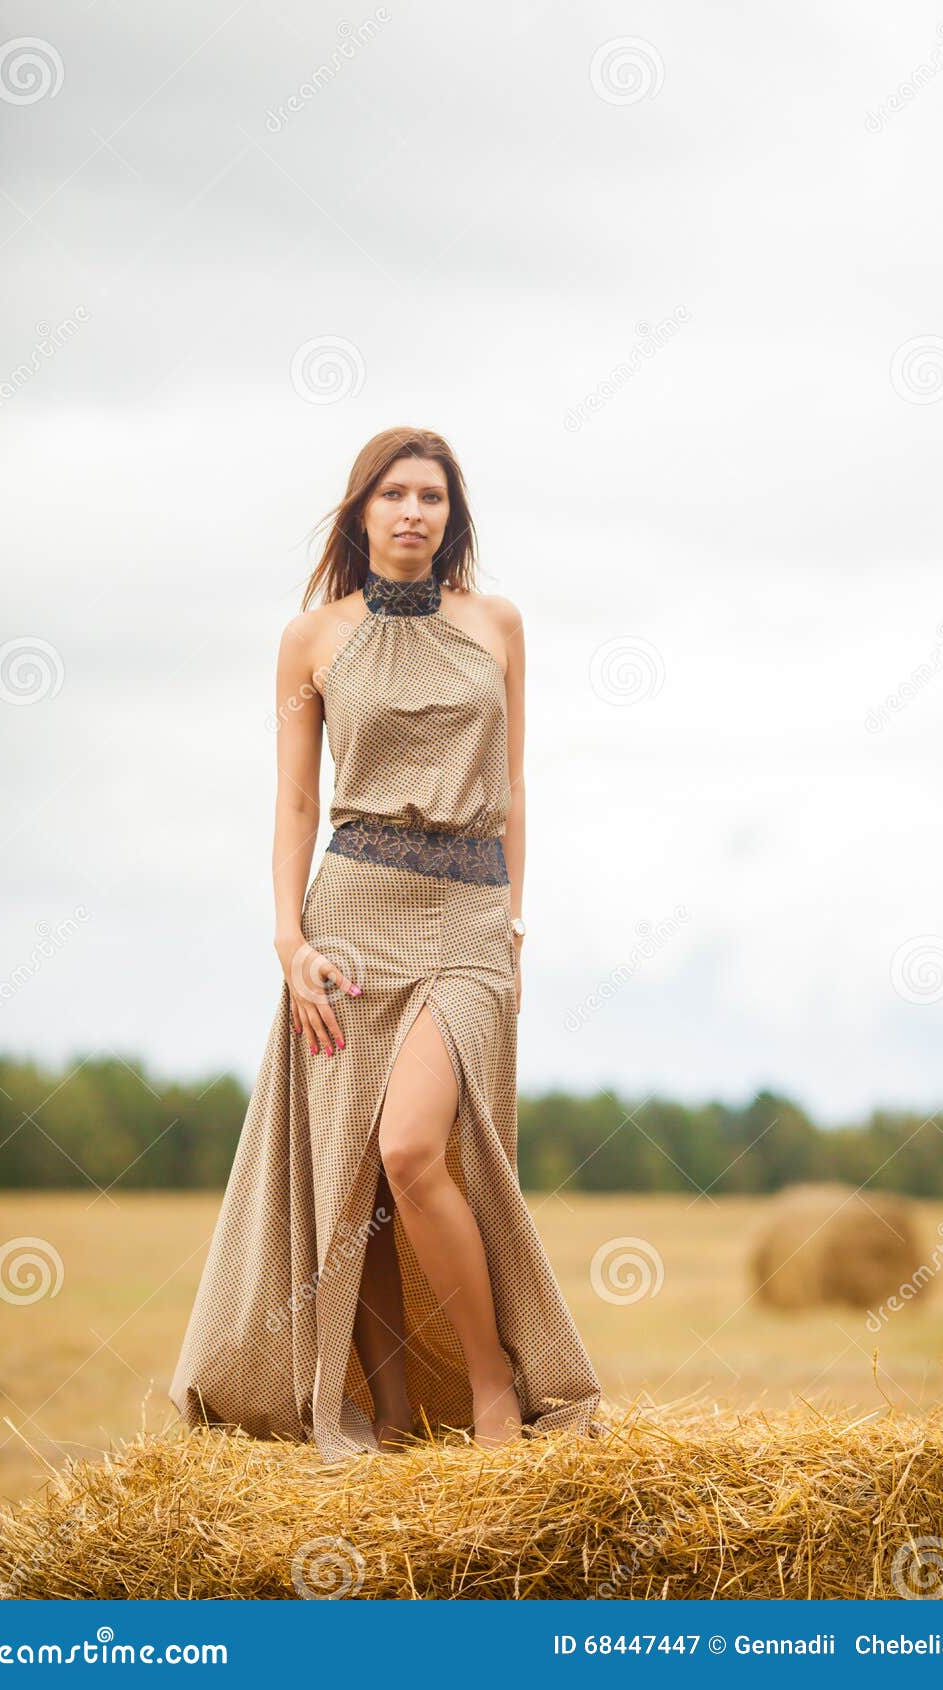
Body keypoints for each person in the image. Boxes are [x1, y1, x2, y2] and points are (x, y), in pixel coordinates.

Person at [169, 426, 603, 1461]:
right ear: (361, 509)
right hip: (350, 916)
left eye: (432, 497)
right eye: (394, 494)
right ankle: (389, 1405)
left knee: (411, 1147)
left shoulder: (495, 622)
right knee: (351, 1173)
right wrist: (289, 940)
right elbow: (294, 802)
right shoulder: (311, 637)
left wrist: (513, 921)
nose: (413, 511)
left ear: (453, 517)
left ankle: (493, 1388)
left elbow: (515, 783)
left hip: (469, 918)